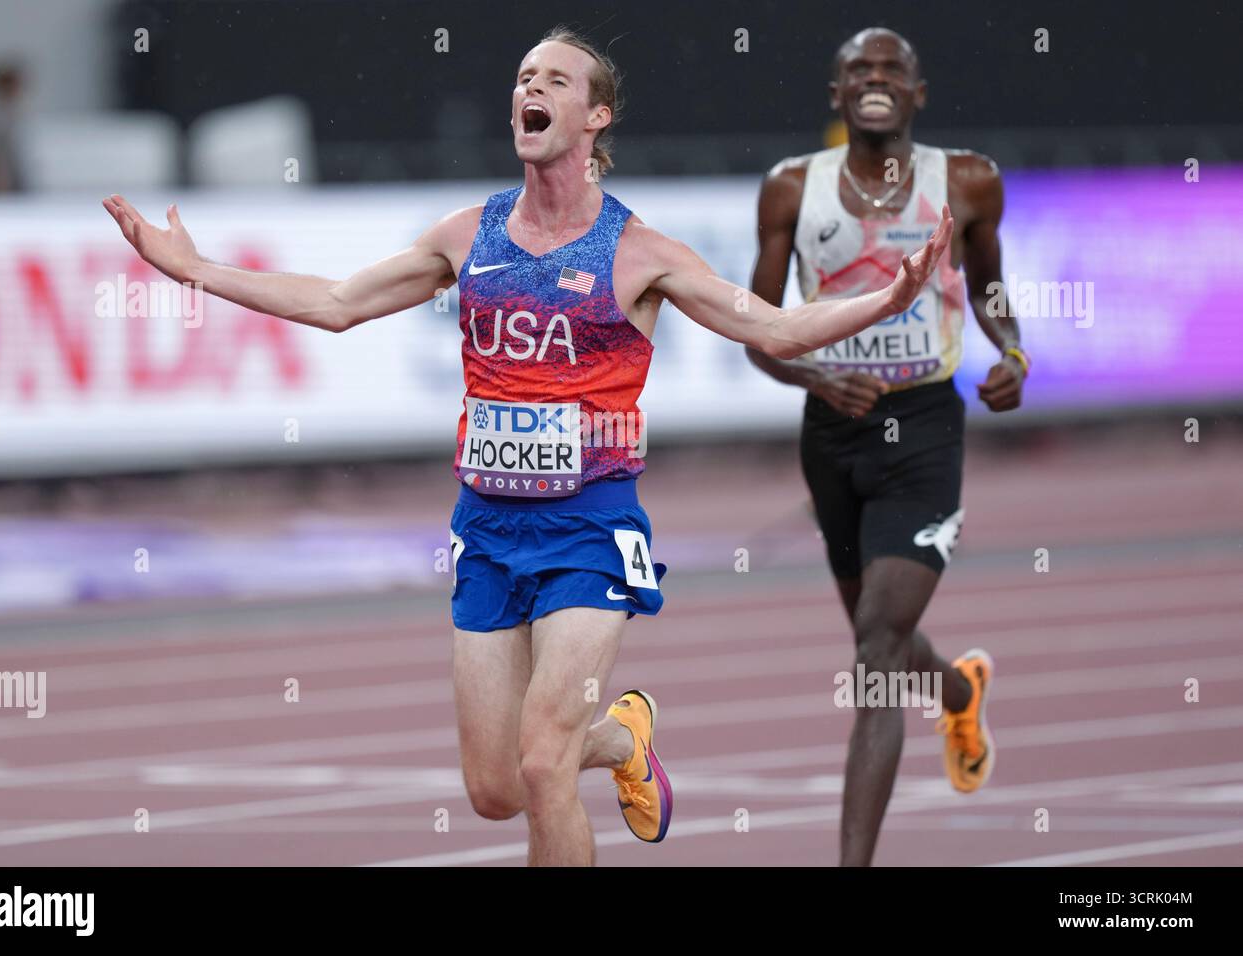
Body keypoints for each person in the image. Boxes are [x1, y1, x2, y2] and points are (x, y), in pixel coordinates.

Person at [104, 26, 952, 867]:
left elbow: (774, 325)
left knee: (544, 761)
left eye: (554, 80)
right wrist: (197, 270)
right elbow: (335, 301)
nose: (530, 90)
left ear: (595, 117)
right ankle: (622, 741)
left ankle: (587, 748)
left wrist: (884, 302)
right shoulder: (467, 236)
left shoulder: (638, 251)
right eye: (522, 77)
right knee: (496, 788)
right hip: (487, 529)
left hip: (590, 530)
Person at [745, 27, 1026, 866]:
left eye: (891, 69)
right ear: (836, 95)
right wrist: (814, 382)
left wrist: (1010, 349)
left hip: (925, 430)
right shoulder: (790, 190)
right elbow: (757, 331)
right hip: (832, 433)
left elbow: (989, 287)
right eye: (857, 71)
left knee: (873, 650)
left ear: (918, 91)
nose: (875, 80)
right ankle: (957, 688)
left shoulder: (970, 181)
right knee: (887, 646)